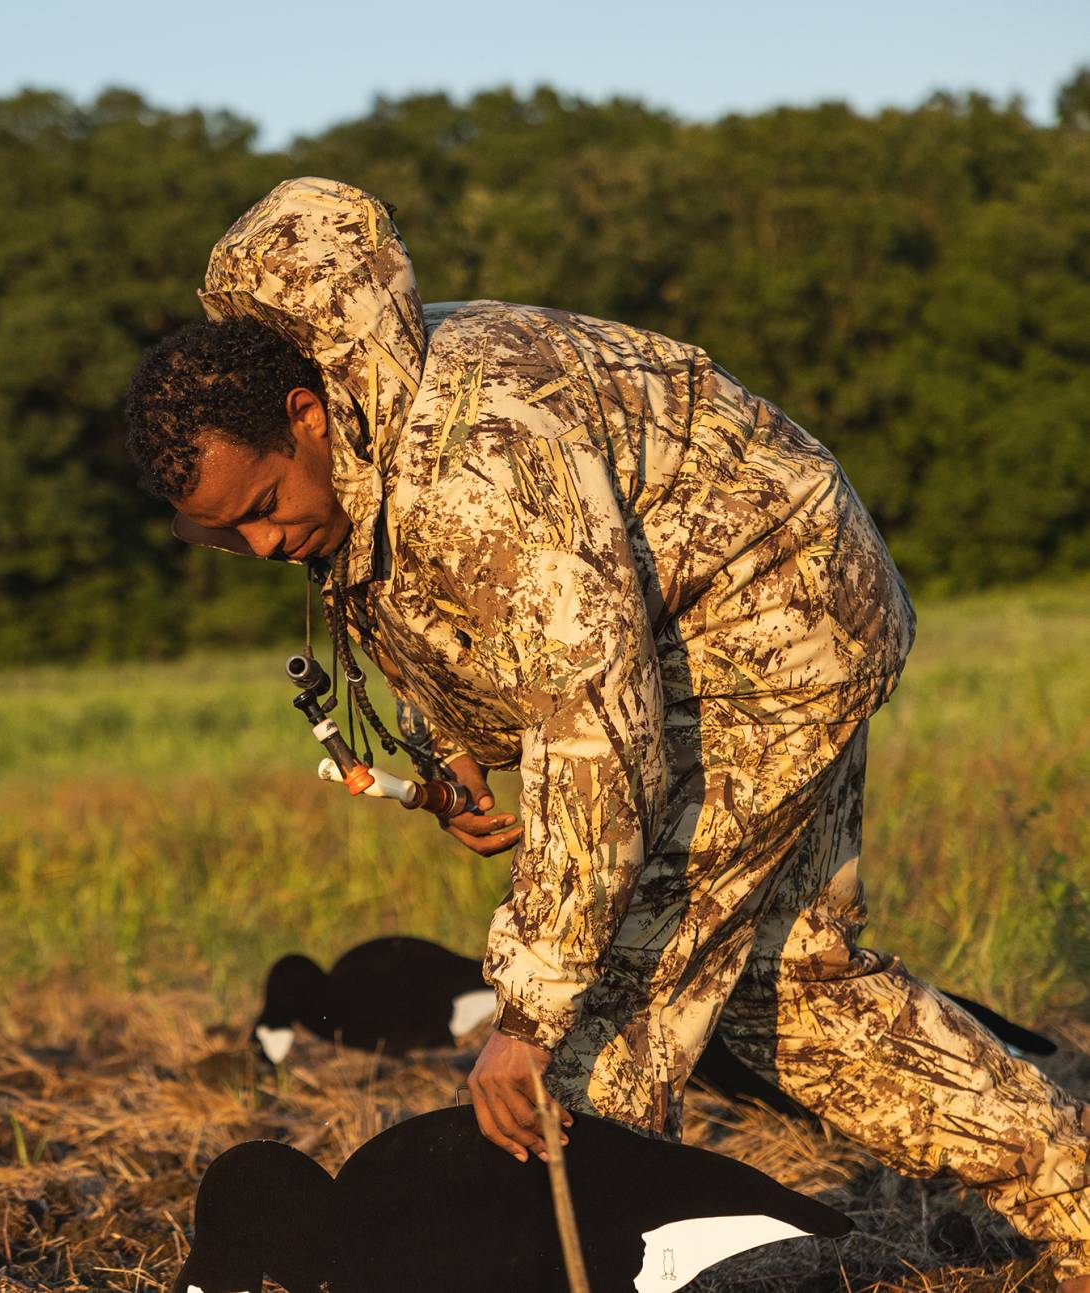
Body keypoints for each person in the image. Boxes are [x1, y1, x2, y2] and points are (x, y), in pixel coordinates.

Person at [124, 176, 1090, 1288]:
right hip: (690, 632)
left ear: (304, 416)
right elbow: (426, 595)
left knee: (591, 1035)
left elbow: (596, 729)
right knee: (787, 990)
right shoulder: (356, 421)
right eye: (218, 536)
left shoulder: (480, 451)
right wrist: (445, 746)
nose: (258, 547)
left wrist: (528, 1011)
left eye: (260, 509)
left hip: (766, 619)